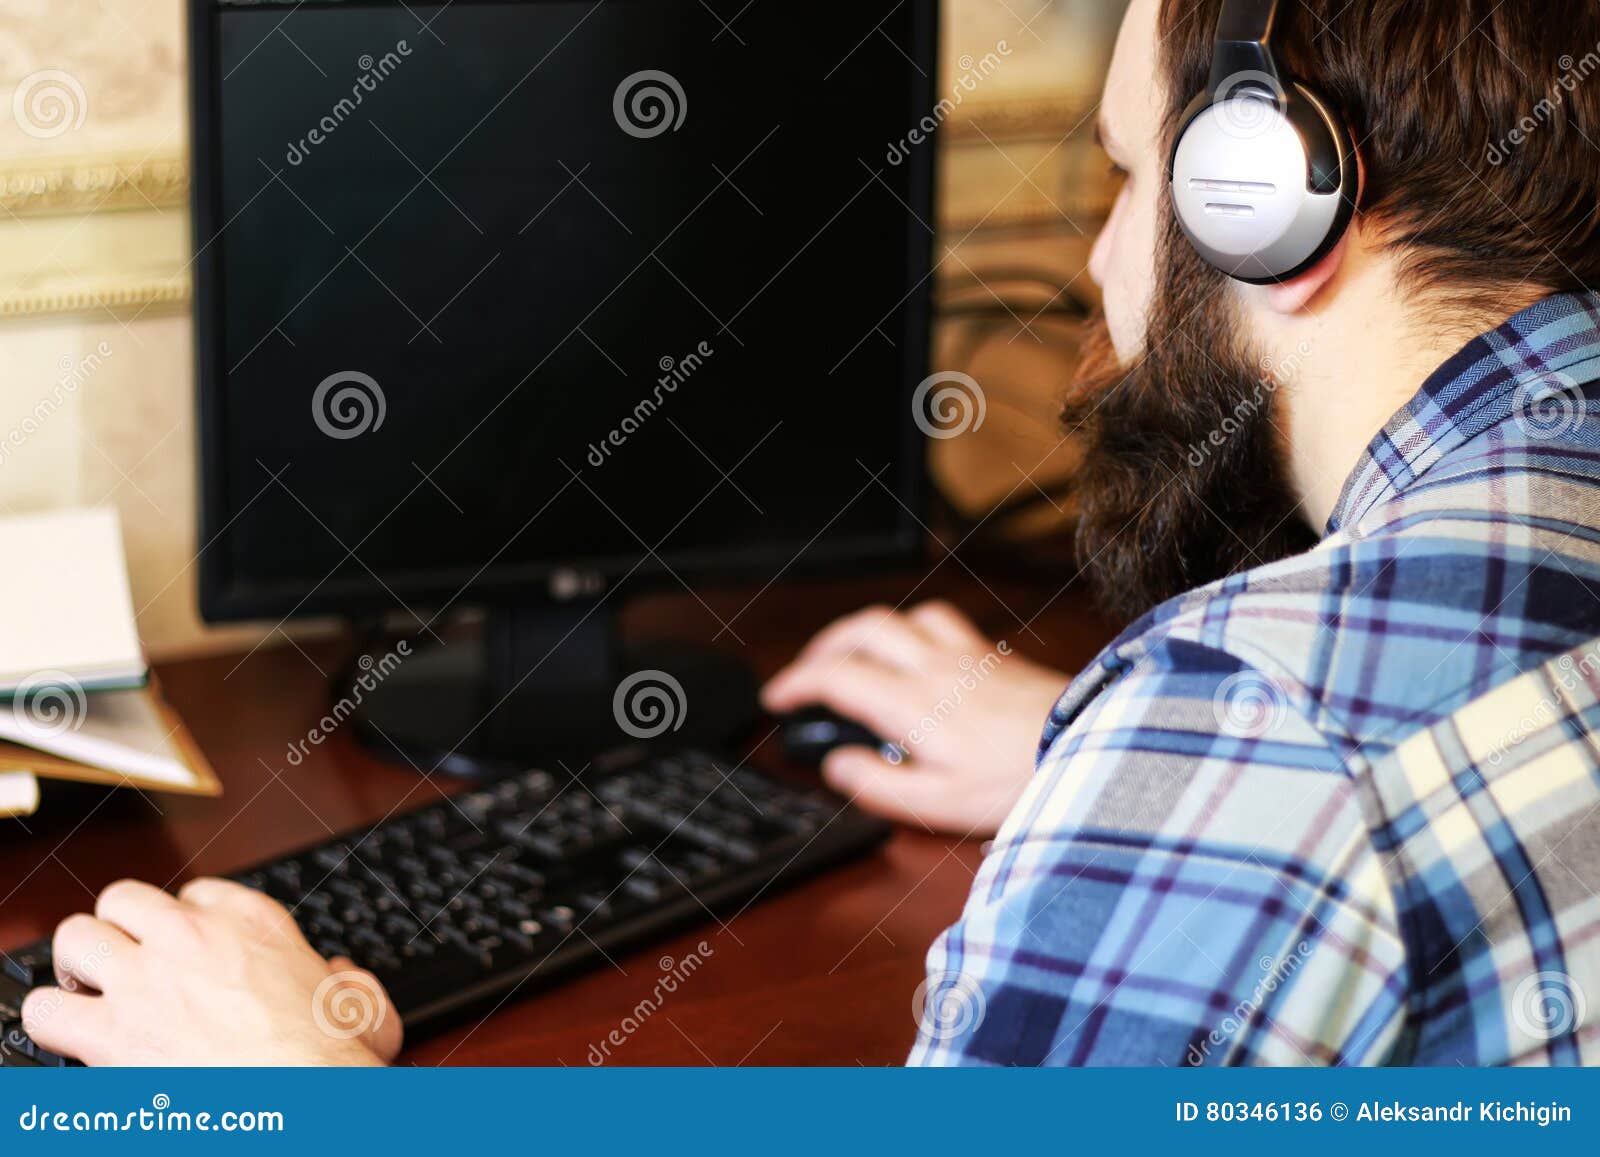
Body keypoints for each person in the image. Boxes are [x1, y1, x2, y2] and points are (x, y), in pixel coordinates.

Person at [21, 0, 1600, 1065]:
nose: (1111, 259)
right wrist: (1089, 754)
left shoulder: (1257, 738)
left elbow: (1314, 773)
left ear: (1273, 200)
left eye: (1130, 175)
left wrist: (300, 1093)